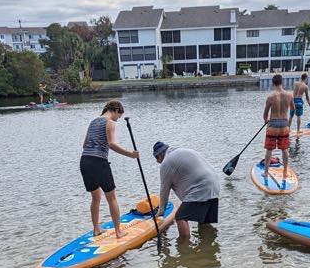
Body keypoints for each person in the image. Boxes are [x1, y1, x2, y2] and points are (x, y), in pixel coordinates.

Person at [81, 100, 139, 238]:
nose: (117, 120)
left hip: (85, 161)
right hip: (99, 162)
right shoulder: (110, 122)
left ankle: (96, 229)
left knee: (95, 197)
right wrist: (130, 154)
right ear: (116, 110)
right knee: (111, 198)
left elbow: (84, 145)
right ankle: (118, 232)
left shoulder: (93, 121)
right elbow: (112, 144)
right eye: (119, 117)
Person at [153, 141, 220, 238]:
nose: (157, 162)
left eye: (156, 158)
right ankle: (208, 248)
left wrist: (160, 213)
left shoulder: (166, 163)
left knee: (180, 217)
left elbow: (164, 191)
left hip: (201, 187)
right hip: (214, 186)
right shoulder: (183, 151)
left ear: (160, 154)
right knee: (203, 223)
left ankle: (184, 247)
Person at [262, 74, 293, 186]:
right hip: (284, 123)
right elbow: (292, 109)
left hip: (273, 124)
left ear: (273, 83)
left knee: (269, 150)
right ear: (282, 82)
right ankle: (285, 172)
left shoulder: (270, 97)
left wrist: (266, 120)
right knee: (284, 149)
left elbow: (265, 114)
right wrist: (289, 122)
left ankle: (265, 173)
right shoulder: (289, 95)